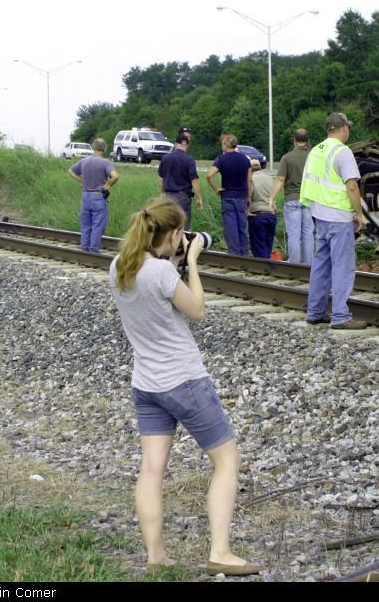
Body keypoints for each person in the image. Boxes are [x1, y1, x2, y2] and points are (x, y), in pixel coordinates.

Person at [109, 197, 261, 577]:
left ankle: (155, 554)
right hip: (184, 381)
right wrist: (190, 262)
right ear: (175, 233)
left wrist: (172, 262)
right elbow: (196, 310)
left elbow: (155, 298)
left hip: (146, 384)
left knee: (152, 469)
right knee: (227, 462)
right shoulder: (161, 273)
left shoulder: (119, 266)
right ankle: (221, 552)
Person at [299, 113, 367, 330]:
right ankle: (340, 316)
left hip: (319, 215)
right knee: (343, 266)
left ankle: (315, 312)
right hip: (339, 215)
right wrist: (359, 213)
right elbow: (352, 186)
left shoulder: (316, 150)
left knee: (321, 264)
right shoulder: (343, 152)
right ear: (344, 128)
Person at [270, 129, 314, 264]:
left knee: (294, 235)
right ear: (308, 141)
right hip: (310, 199)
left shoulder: (287, 157)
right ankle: (309, 264)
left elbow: (280, 179)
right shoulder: (313, 157)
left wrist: (271, 198)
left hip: (292, 199)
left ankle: (294, 264)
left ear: (294, 140)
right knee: (308, 234)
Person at [69, 138, 118, 253]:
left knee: (86, 225)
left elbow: (71, 171)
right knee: (97, 225)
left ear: (93, 147)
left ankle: (84, 248)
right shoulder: (105, 162)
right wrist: (109, 184)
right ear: (104, 149)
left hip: (86, 196)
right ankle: (94, 250)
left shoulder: (84, 161)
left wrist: (83, 181)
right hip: (98, 196)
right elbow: (115, 176)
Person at [206, 135, 252, 256]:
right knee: (242, 226)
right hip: (242, 196)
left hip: (228, 195)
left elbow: (209, 175)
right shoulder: (245, 159)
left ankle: (234, 254)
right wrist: (249, 197)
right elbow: (249, 181)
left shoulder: (222, 159)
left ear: (226, 145)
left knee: (230, 227)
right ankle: (244, 253)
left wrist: (216, 189)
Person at [158, 132, 203, 229]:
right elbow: (194, 181)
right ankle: (182, 244)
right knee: (183, 228)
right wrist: (200, 198)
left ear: (175, 143)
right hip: (183, 197)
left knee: (169, 227)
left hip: (168, 197)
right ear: (187, 144)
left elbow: (161, 178)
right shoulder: (189, 160)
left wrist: (163, 193)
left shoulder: (165, 158)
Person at [247, 160, 277, 259]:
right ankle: (268, 264)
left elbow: (249, 197)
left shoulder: (251, 179)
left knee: (259, 246)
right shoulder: (270, 178)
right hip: (272, 214)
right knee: (268, 244)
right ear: (260, 167)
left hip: (258, 215)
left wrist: (246, 211)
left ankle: (264, 268)